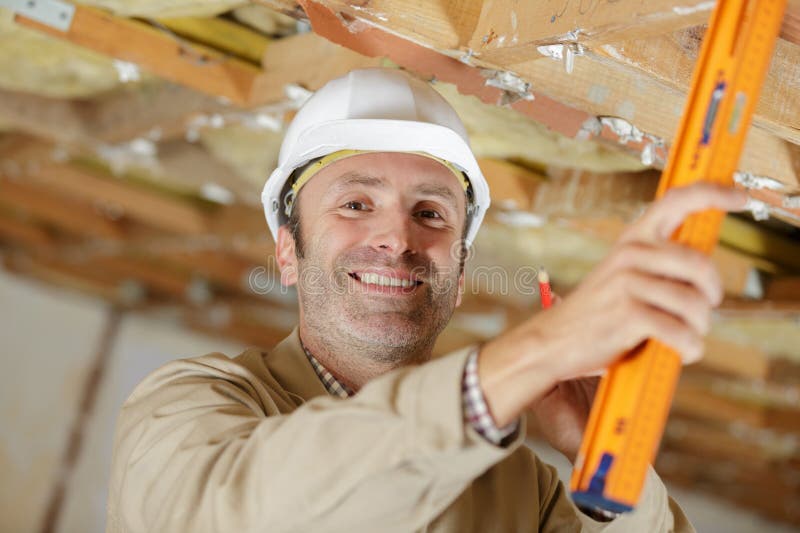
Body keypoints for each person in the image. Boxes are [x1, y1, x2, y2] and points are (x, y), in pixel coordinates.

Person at [106, 68, 746, 532]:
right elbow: (245, 515)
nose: (397, 238)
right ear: (288, 252)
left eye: (431, 214)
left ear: (460, 272)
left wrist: (606, 463)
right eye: (356, 204)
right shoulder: (191, 407)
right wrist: (535, 353)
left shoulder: (521, 491)